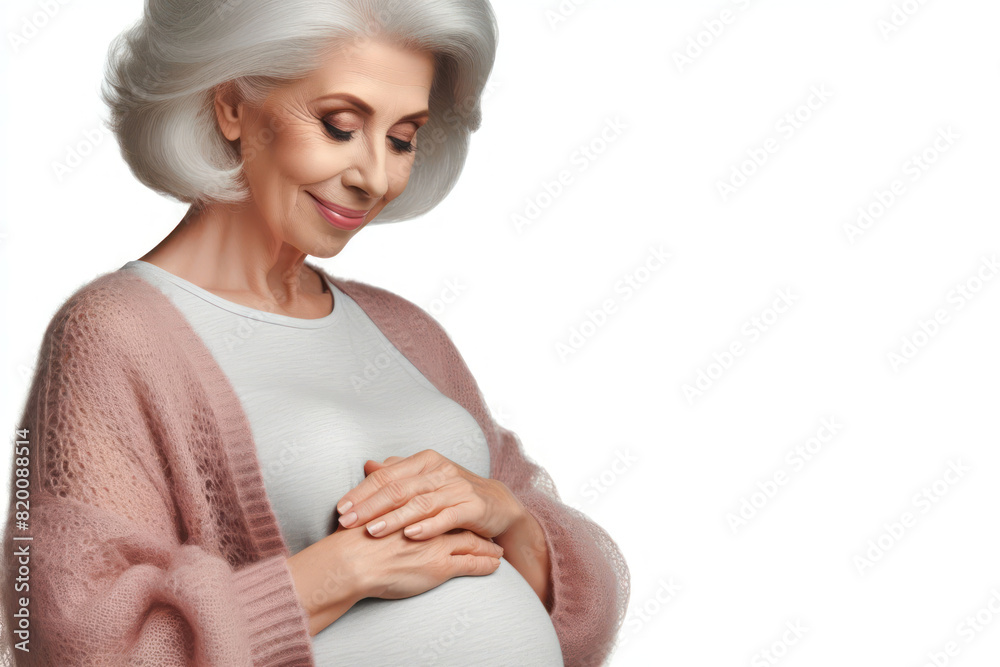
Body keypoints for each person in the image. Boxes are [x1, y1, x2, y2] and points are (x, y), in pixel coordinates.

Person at [0, 0, 629, 665]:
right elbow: (69, 640)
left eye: (402, 138)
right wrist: (335, 575)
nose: (375, 176)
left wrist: (512, 522)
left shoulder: (404, 330)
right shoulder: (116, 331)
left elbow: (580, 600)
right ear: (232, 105)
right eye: (339, 126)